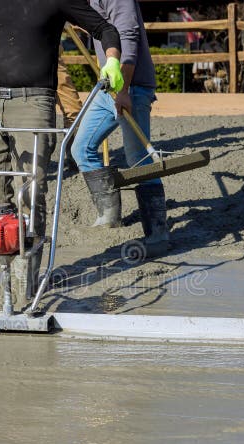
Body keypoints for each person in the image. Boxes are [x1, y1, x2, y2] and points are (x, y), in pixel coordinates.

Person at [0, 0, 124, 300]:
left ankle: (27, 278)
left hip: (34, 103)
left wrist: (112, 61)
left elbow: (105, 29)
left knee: (30, 193)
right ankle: (4, 268)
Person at [71, 0, 170, 258]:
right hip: (107, 88)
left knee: (139, 160)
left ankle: (158, 234)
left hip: (131, 86)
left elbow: (128, 34)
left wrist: (124, 89)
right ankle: (109, 218)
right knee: (81, 148)